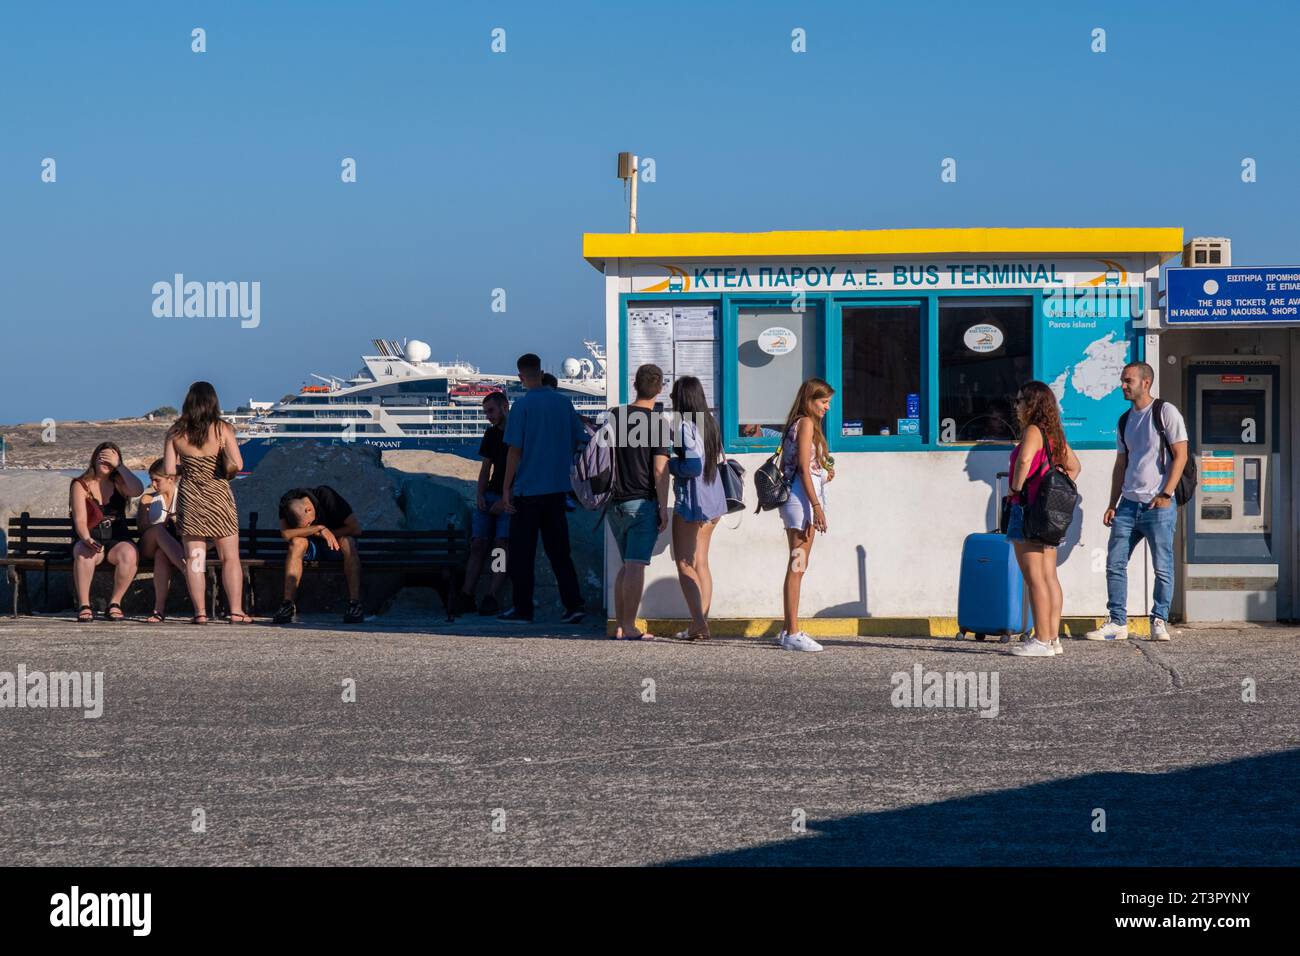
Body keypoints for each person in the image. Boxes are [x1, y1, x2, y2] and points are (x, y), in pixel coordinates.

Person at [1087, 361, 1189, 643]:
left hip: (1158, 504)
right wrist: (1112, 503)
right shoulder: (1124, 420)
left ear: (1146, 382)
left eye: (1128, 380)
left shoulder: (1165, 412)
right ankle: (1118, 622)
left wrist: (1166, 494)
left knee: (1162, 566)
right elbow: (1121, 464)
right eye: (1122, 380)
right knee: (1115, 563)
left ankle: (1159, 620)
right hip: (1128, 505)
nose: (1122, 385)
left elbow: (1181, 455)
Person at [500, 352, 587, 624]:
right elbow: (578, 440)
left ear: (521, 376)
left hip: (527, 492)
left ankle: (523, 609)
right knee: (560, 553)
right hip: (557, 491)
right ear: (541, 371)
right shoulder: (564, 404)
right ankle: (573, 605)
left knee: (521, 555)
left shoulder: (522, 407)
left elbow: (515, 450)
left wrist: (506, 489)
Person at [1006, 382, 1081, 658]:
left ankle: (1040, 639)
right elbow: (1075, 466)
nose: (1016, 406)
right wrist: (1053, 489)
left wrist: (1016, 488)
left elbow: (1025, 460)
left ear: (1032, 404)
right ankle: (1052, 638)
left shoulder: (1033, 431)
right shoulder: (1054, 434)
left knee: (1034, 577)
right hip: (1049, 513)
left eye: (1019, 401)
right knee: (1049, 576)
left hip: (1027, 509)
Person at [164, 381, 248, 624]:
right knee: (230, 558)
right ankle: (235, 611)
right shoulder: (223, 429)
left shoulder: (176, 432)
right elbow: (239, 465)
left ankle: (200, 612)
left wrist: (190, 467)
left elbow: (169, 469)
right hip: (219, 495)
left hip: (191, 498)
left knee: (195, 558)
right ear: (213, 401)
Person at [605, 364, 671, 640]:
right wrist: (662, 507)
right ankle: (630, 626)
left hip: (614, 503)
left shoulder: (614, 416)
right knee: (635, 566)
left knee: (625, 565)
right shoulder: (658, 423)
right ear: (660, 388)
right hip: (641, 502)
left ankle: (621, 623)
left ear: (635, 384)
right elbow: (660, 470)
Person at [777, 378, 836, 652]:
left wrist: (824, 472)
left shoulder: (797, 423)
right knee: (798, 565)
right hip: (802, 502)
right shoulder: (807, 424)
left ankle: (789, 627)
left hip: (798, 499)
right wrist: (817, 506)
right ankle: (792, 632)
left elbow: (800, 465)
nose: (827, 407)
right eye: (823, 402)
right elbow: (802, 467)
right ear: (810, 400)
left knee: (797, 564)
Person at [667, 375, 726, 641]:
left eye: (673, 395)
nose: (670, 399)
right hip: (714, 502)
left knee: (684, 563)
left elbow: (692, 466)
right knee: (702, 562)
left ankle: (699, 624)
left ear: (682, 399)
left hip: (692, 503)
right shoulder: (710, 424)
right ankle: (699, 623)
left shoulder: (684, 427)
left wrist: (669, 465)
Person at [69, 442, 143, 622]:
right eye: (102, 456)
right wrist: (86, 538)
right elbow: (79, 519)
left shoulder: (119, 483)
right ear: (94, 459)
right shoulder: (81, 484)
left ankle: (115, 603)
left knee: (130, 554)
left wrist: (119, 466)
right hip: (91, 535)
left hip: (117, 536)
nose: (106, 461)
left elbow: (138, 489)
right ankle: (84, 604)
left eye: (111, 458)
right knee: (83, 553)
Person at [273, 486, 364, 624]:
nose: (307, 527)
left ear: (309, 510)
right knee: (296, 543)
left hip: (335, 545)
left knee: (348, 542)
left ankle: (355, 604)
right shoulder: (287, 503)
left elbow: (355, 529)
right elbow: (286, 534)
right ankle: (287, 604)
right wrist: (318, 529)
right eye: (303, 527)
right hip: (311, 547)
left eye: (308, 523)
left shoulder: (328, 497)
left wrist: (329, 534)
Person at [459, 391, 511, 615]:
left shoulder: (518, 434)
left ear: (504, 407)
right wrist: (480, 494)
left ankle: (491, 596)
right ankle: (466, 595)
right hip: (490, 495)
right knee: (478, 544)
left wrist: (507, 497)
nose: (488, 416)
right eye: (485, 412)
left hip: (509, 500)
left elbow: (524, 470)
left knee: (501, 546)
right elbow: (485, 468)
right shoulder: (490, 434)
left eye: (491, 411)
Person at [137, 457, 187, 624]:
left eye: (157, 480)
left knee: (161, 555)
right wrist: (163, 521)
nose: (153, 485)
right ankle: (186, 570)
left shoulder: (184, 497)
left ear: (171, 479)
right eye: (151, 480)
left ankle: (159, 610)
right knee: (158, 531)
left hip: (172, 545)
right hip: (148, 543)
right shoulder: (148, 499)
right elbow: (142, 528)